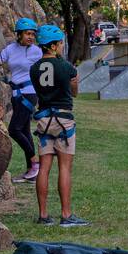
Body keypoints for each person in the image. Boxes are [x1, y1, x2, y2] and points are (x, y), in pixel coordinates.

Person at [30, 24, 88, 227]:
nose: (62, 46)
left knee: (44, 168)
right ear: (53, 46)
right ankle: (66, 214)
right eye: (61, 43)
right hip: (63, 120)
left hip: (44, 121)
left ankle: (43, 215)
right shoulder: (67, 68)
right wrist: (73, 82)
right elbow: (74, 92)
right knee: (64, 168)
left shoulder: (34, 68)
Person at [0, 18, 43, 182]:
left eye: (33, 34)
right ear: (19, 34)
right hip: (16, 94)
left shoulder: (37, 52)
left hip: (29, 93)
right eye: (27, 34)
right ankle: (32, 173)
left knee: (14, 130)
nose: (31, 37)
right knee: (24, 131)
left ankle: (34, 163)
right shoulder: (10, 49)